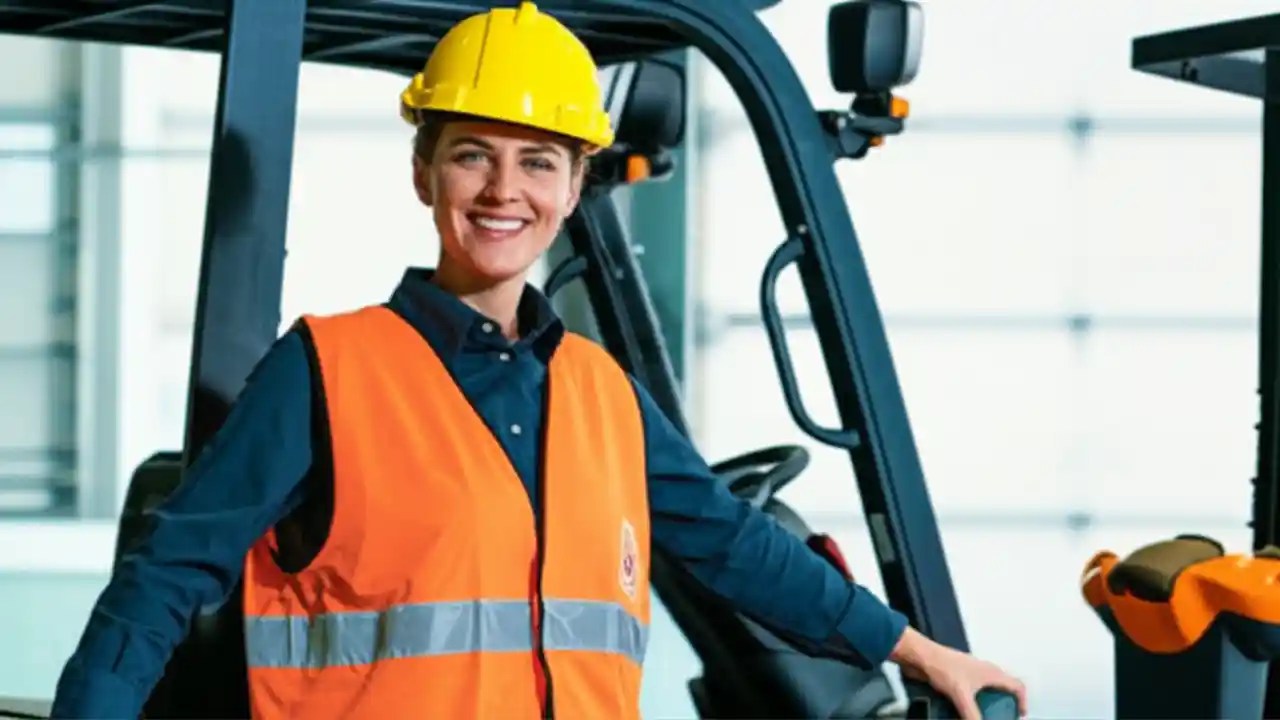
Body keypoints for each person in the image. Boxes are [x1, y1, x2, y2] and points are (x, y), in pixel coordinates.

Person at [50, 2, 1027, 719]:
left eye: (538, 162)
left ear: (573, 185)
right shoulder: (326, 371)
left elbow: (737, 548)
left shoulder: (601, 393)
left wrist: (916, 650)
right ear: (424, 170)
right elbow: (163, 579)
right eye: (472, 153)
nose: (502, 190)